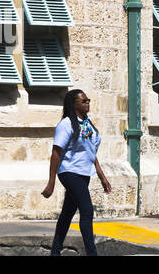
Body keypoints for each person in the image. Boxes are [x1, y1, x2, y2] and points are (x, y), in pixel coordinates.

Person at [42, 88, 111, 256]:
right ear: (73, 105)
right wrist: (51, 183)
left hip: (83, 173)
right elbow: (56, 153)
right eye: (83, 101)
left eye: (88, 100)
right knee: (87, 210)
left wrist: (102, 176)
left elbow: (91, 152)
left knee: (67, 214)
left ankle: (55, 251)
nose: (87, 103)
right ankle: (91, 253)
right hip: (69, 172)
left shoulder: (87, 123)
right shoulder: (66, 124)